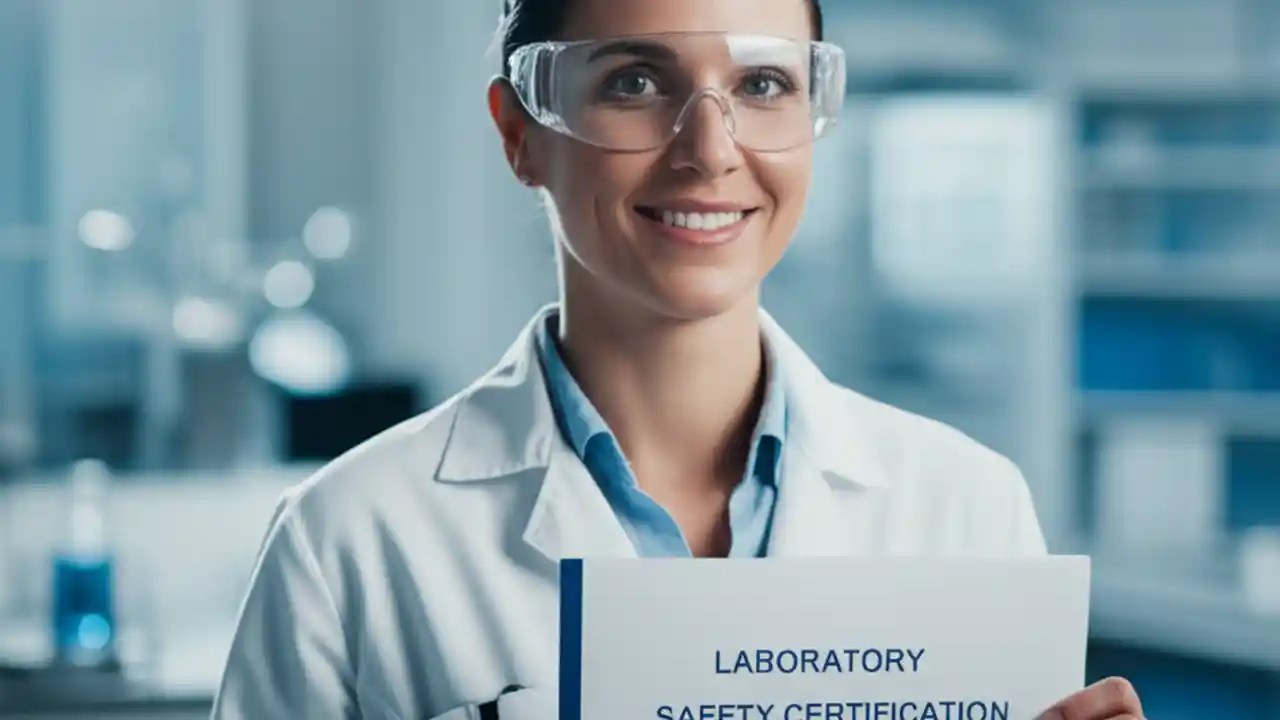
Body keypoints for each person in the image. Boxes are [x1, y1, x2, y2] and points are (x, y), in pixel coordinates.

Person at [213, 0, 1146, 718]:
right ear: (519, 133)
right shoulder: (349, 542)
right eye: (632, 82)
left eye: (764, 86)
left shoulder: (967, 507)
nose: (709, 150)